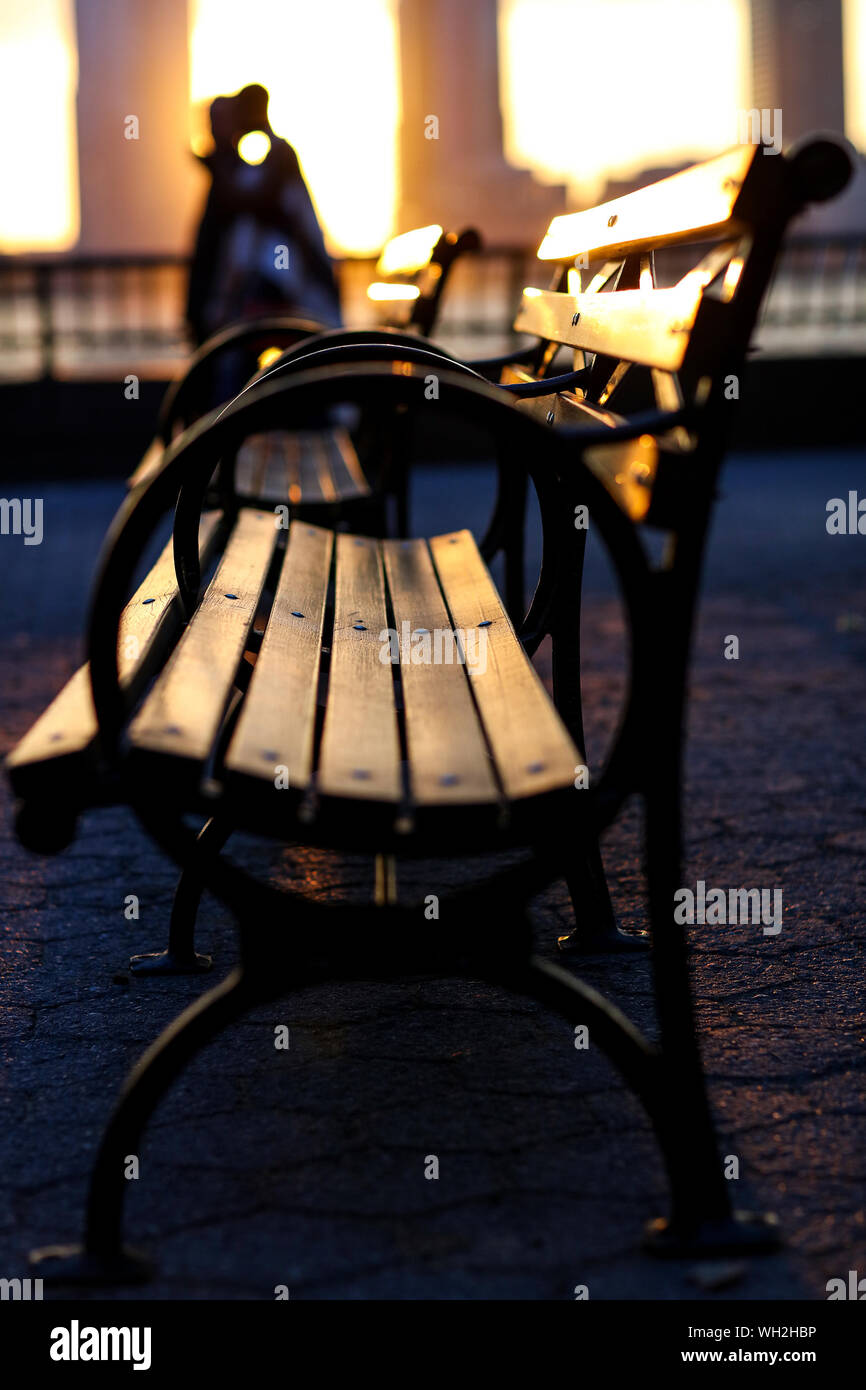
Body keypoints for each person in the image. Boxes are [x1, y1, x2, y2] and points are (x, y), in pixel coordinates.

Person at [186, 84, 342, 345]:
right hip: (276, 283)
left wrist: (216, 165)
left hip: (282, 285)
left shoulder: (273, 156)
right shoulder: (254, 160)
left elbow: (254, 201)